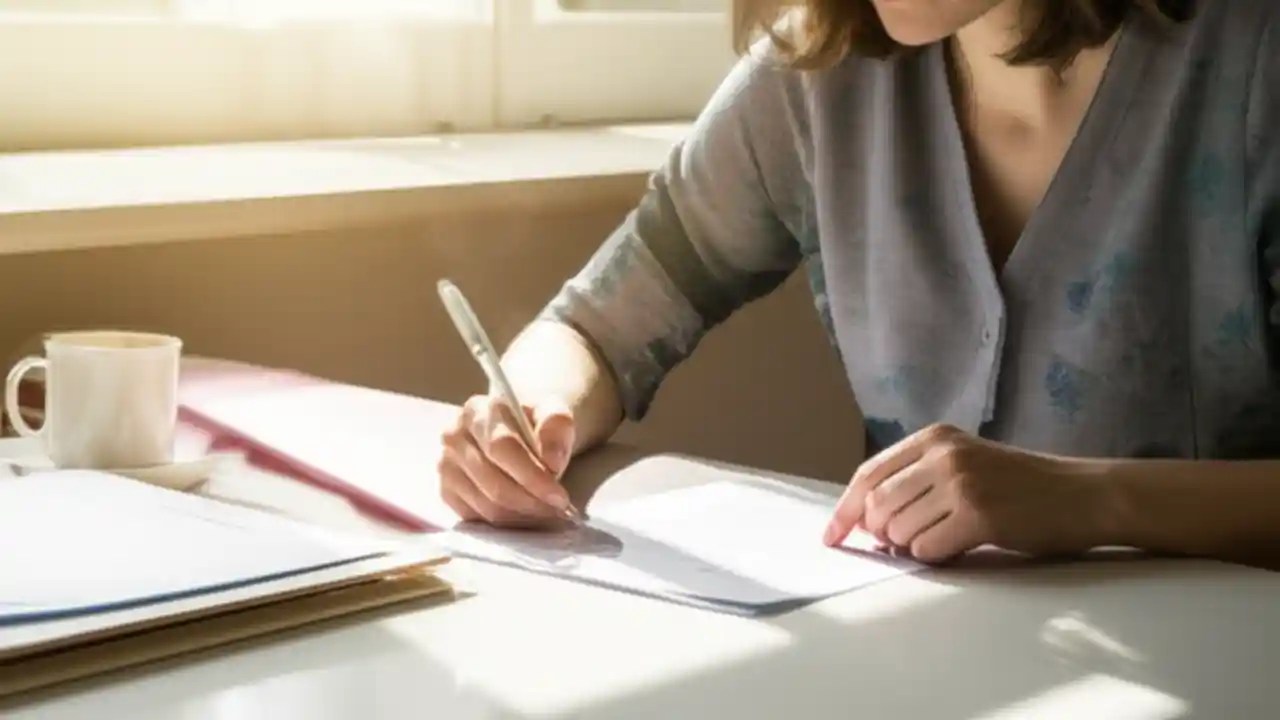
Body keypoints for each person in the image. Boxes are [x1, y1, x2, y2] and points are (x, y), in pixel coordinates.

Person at [438, 0, 1280, 566]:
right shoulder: (818, 74)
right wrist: (528, 414)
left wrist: (1091, 502)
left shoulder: (1254, 66)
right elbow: (594, 329)